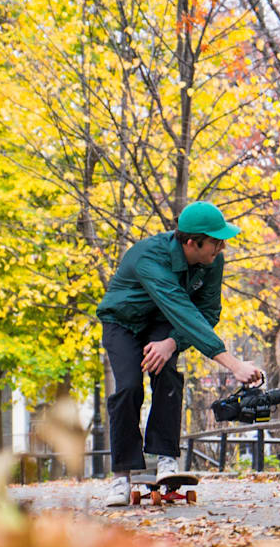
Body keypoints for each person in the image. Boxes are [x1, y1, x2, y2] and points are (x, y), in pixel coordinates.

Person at [97, 201, 262, 506]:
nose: (221, 247)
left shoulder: (213, 260)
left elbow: (208, 313)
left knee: (167, 374)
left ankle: (166, 458)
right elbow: (182, 308)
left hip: (163, 323)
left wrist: (171, 343)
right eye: (215, 241)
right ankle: (121, 475)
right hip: (122, 322)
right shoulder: (149, 257)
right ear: (191, 242)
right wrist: (233, 364)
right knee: (129, 386)